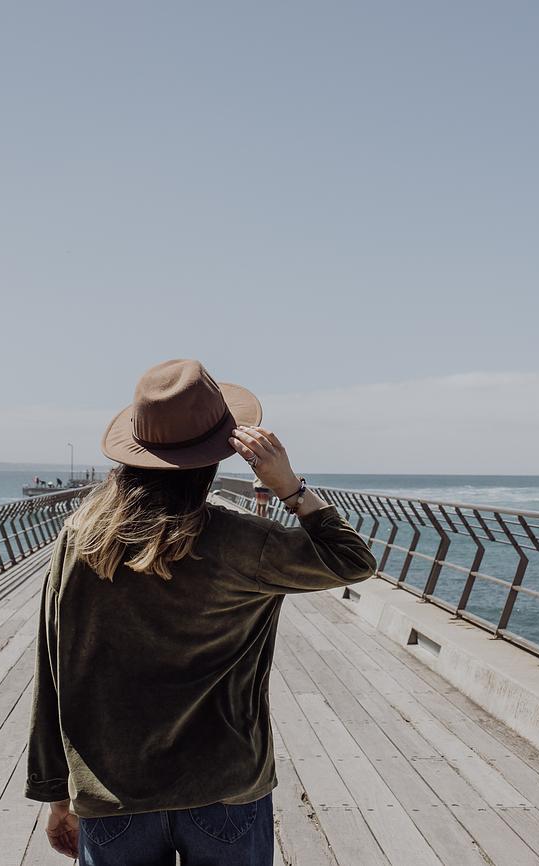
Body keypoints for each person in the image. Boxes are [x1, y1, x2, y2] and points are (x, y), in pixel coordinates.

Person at [24, 358, 377, 865]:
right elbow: (353, 561)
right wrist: (288, 486)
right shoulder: (245, 544)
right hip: (225, 787)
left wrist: (57, 793)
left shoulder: (81, 540)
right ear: (220, 453)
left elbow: (53, 667)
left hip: (113, 790)